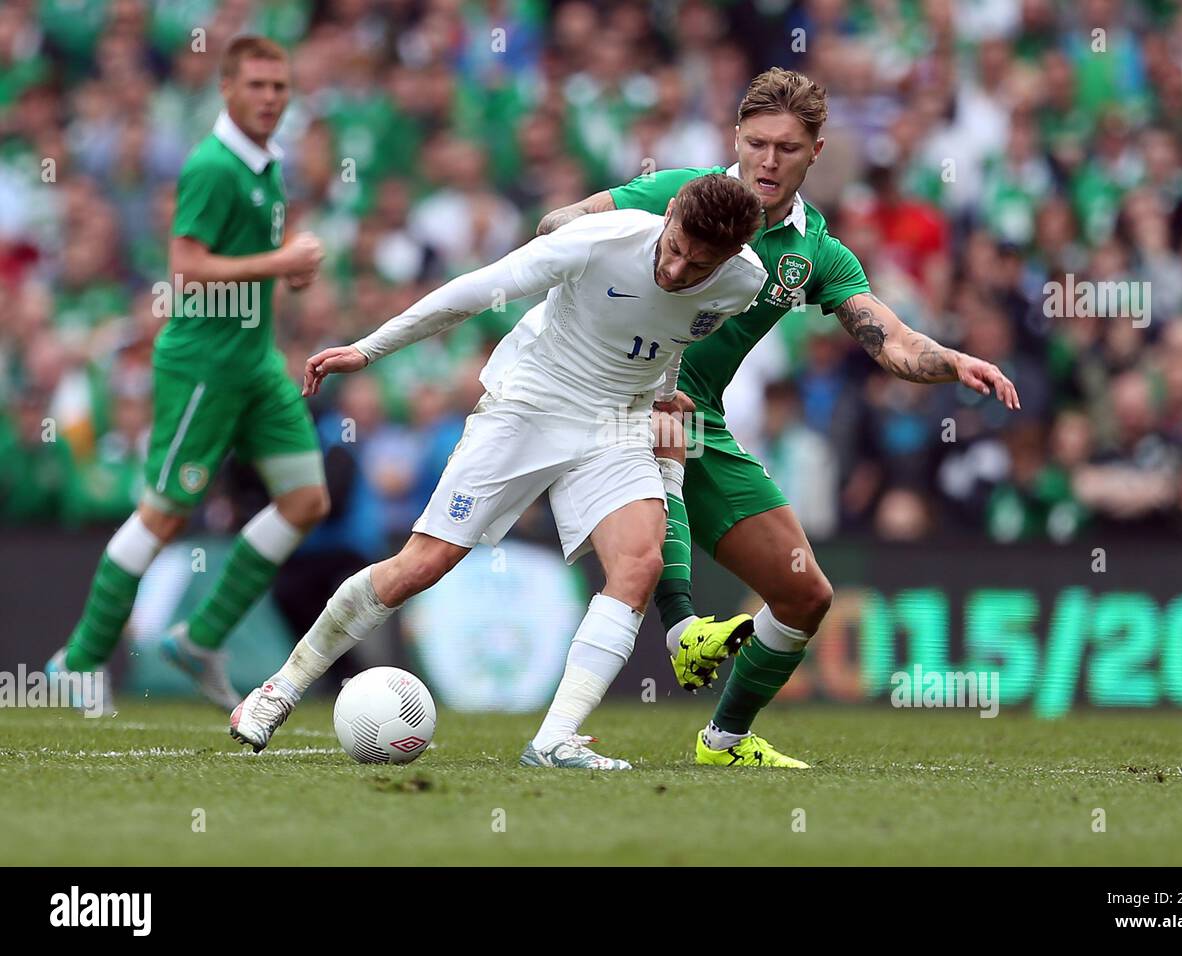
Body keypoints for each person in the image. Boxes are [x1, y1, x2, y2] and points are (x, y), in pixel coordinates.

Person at [539, 68, 1020, 767]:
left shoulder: (812, 252)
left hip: (697, 419)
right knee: (645, 446)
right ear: (735, 137)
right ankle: (682, 632)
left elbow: (889, 338)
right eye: (757, 142)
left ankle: (724, 741)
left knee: (804, 594)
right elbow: (559, 224)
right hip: (612, 393)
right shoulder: (677, 192)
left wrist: (951, 361)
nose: (768, 161)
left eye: (787, 148)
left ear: (815, 153)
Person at [230, 173, 767, 770]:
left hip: (617, 421)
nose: (676, 270)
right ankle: (277, 691)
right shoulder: (598, 241)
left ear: (732, 255)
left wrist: (664, 396)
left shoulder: (745, 282)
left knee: (638, 565)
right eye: (674, 249)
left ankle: (554, 740)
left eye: (698, 265)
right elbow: (472, 290)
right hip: (531, 405)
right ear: (669, 214)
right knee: (420, 568)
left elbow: (667, 340)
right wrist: (369, 349)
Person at [45, 36, 329, 713]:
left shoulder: (265, 164)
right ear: (227, 89)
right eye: (257, 86)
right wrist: (281, 261)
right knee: (166, 513)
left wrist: (284, 272)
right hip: (202, 366)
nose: (269, 98)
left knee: (305, 501)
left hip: (254, 362)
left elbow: (247, 265)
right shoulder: (212, 165)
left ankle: (199, 641)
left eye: (279, 87)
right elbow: (185, 269)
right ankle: (77, 660)